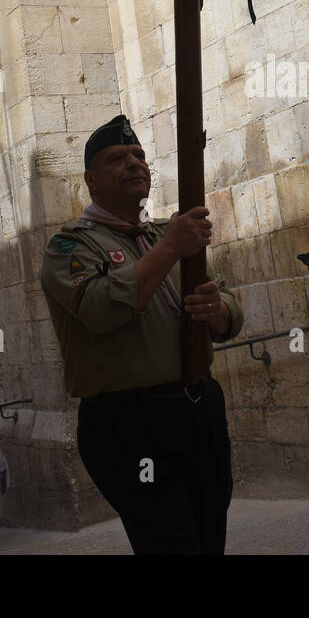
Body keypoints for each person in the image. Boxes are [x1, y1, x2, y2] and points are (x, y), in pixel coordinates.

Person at [40, 113, 244, 554]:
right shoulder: (71, 246)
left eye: (139, 155)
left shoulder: (162, 235)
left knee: (209, 537)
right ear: (91, 180)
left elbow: (227, 300)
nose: (134, 164)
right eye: (118, 158)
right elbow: (100, 309)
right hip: (128, 423)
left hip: (197, 406)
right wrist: (171, 248)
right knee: (169, 541)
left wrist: (219, 311)